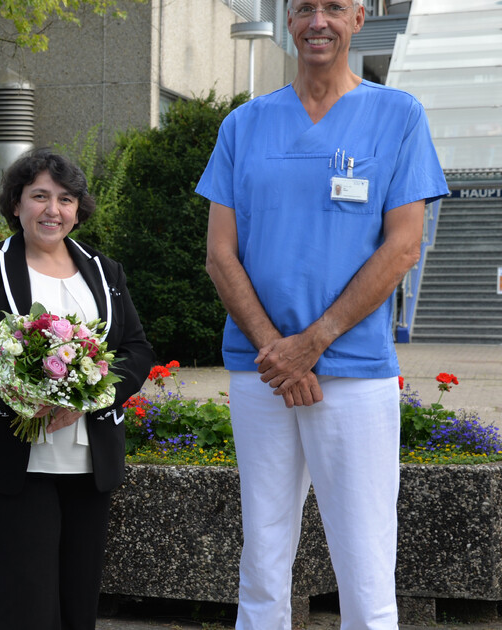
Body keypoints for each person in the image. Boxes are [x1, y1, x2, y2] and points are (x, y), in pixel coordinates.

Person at [196, 0, 449, 627]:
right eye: (304, 7)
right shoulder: (244, 125)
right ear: (288, 20)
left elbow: (404, 247)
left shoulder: (398, 115)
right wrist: (277, 350)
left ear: (358, 18)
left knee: (364, 558)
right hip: (262, 371)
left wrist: (312, 342)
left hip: (354, 371)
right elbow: (220, 254)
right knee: (263, 551)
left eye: (333, 7)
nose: (318, 21)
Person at [0, 149, 154, 630]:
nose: (52, 210)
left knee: (78, 606)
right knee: (24, 606)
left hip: (89, 460)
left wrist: (92, 396)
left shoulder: (105, 271)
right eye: (39, 196)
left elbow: (136, 350)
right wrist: (19, 395)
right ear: (16, 203)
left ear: (78, 209)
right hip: (13, 460)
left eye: (65, 199)